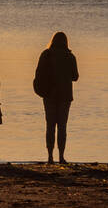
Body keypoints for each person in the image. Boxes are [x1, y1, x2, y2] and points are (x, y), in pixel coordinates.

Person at [33, 31, 79, 164]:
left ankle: (50, 156)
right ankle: (61, 156)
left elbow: (38, 73)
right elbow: (75, 77)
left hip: (49, 95)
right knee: (62, 126)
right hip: (65, 96)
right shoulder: (70, 57)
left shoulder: (45, 55)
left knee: (50, 125)